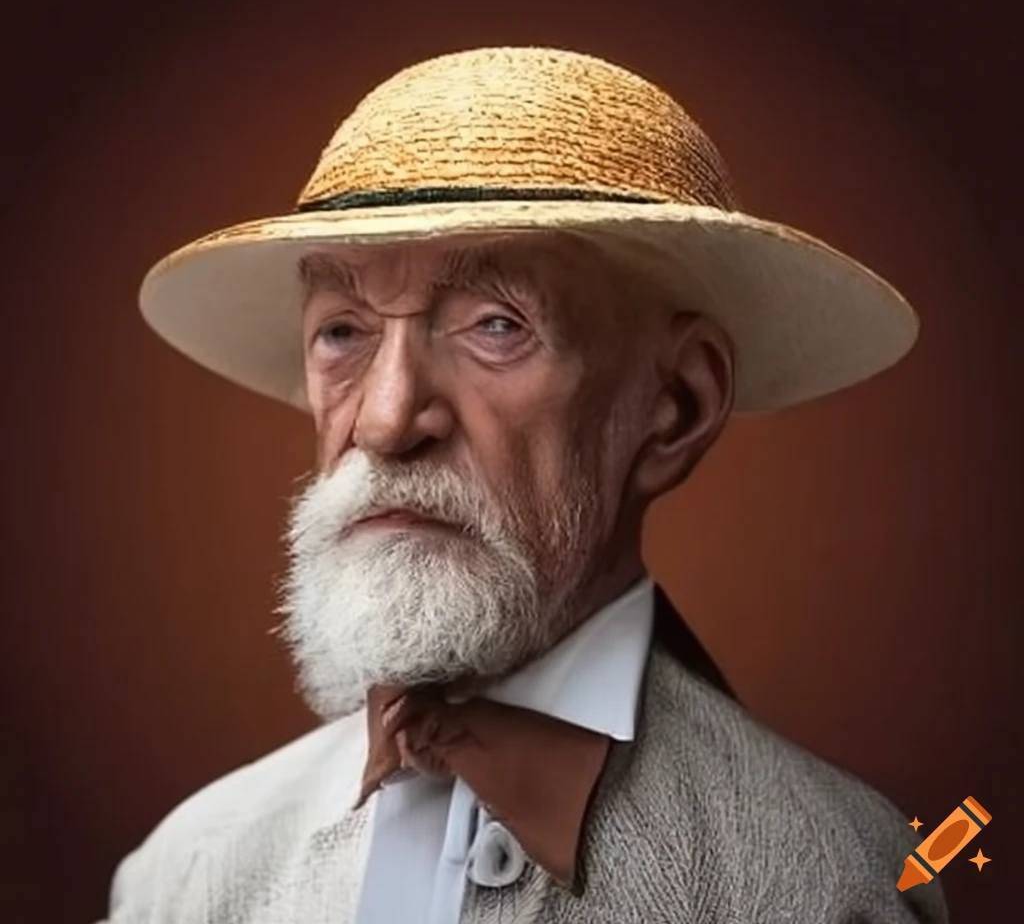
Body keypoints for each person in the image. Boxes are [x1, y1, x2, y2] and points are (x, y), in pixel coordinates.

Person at [103, 46, 947, 923]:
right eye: (343, 332)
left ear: (677, 405)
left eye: (496, 325)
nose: (388, 422)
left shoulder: (830, 881)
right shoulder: (185, 876)